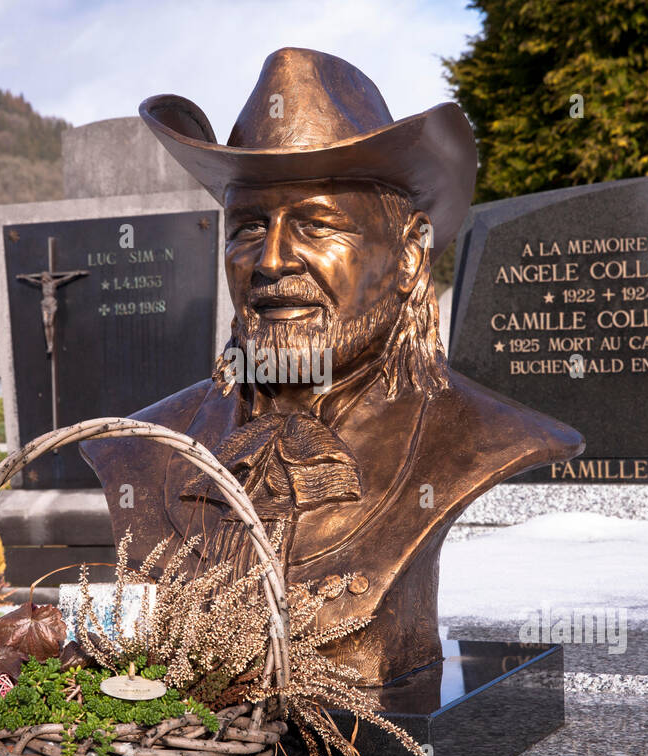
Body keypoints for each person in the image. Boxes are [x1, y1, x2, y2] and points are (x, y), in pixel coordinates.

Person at [81, 47, 583, 685]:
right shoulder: (141, 446)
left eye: (316, 226)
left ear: (406, 257)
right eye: (247, 228)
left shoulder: (489, 437)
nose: (271, 261)